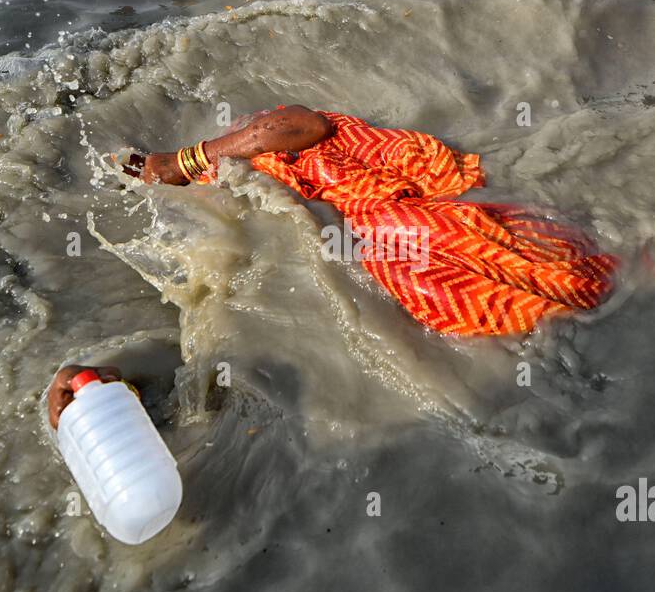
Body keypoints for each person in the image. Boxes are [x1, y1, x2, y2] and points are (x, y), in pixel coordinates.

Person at [51, 106, 617, 426]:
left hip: (398, 208)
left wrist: (185, 159)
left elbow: (297, 124)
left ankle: (566, 300)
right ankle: (565, 306)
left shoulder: (279, 141)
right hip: (378, 226)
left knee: (436, 249)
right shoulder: (230, 205)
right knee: (434, 272)